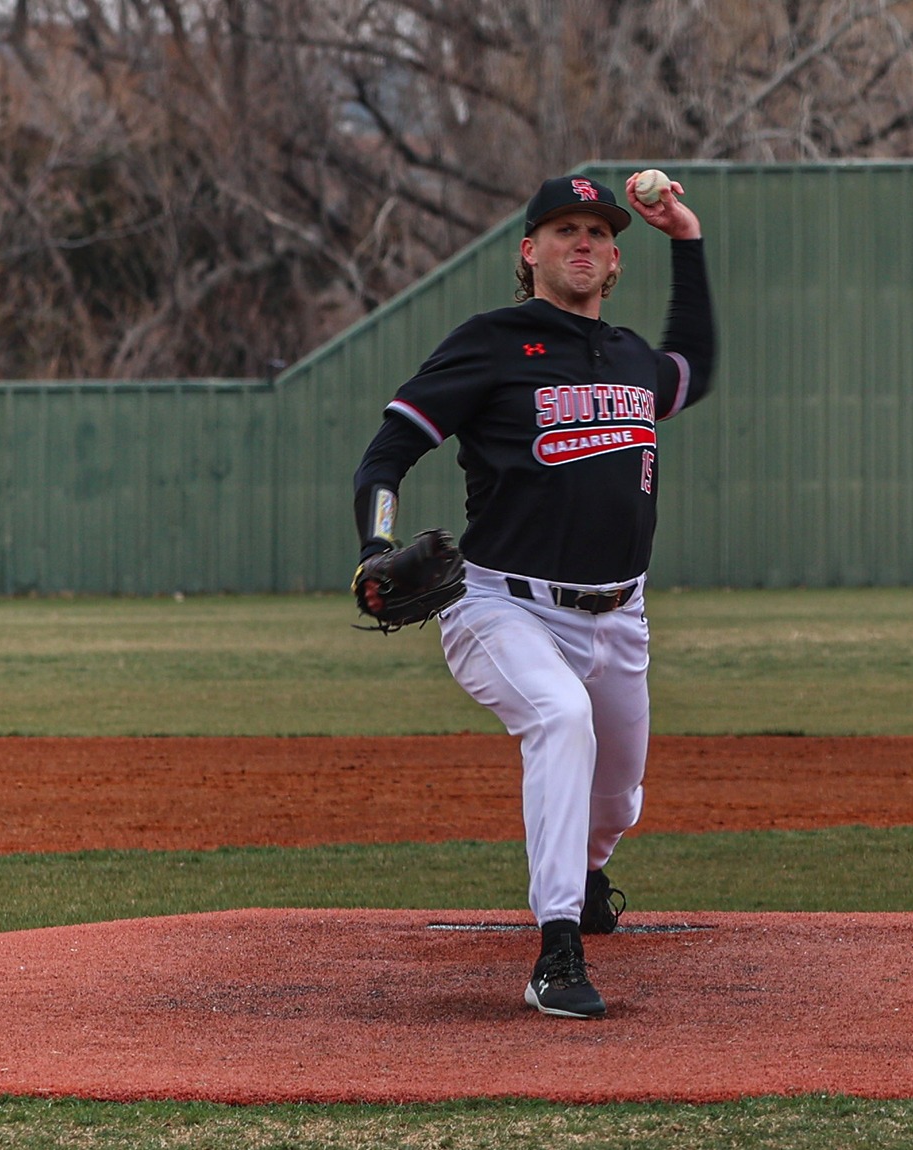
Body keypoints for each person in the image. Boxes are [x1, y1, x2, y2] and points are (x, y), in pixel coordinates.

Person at [350, 173, 715, 1019]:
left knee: (617, 799)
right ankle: (557, 952)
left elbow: (693, 367)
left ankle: (586, 876)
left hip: (620, 613)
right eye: (563, 229)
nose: (582, 241)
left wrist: (687, 242)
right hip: (501, 605)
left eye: (598, 231)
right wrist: (374, 546)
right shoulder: (491, 343)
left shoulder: (630, 356)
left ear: (615, 260)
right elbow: (385, 456)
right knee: (559, 717)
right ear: (529, 251)